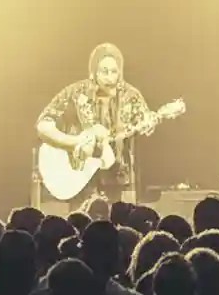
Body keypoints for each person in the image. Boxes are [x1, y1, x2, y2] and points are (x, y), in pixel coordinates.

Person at [36, 43, 158, 204]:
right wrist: (72, 143)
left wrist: (149, 124)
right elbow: (43, 124)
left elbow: (144, 122)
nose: (110, 77)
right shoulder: (75, 92)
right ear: (94, 71)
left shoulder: (131, 96)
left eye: (114, 72)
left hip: (116, 177)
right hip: (80, 176)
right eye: (104, 72)